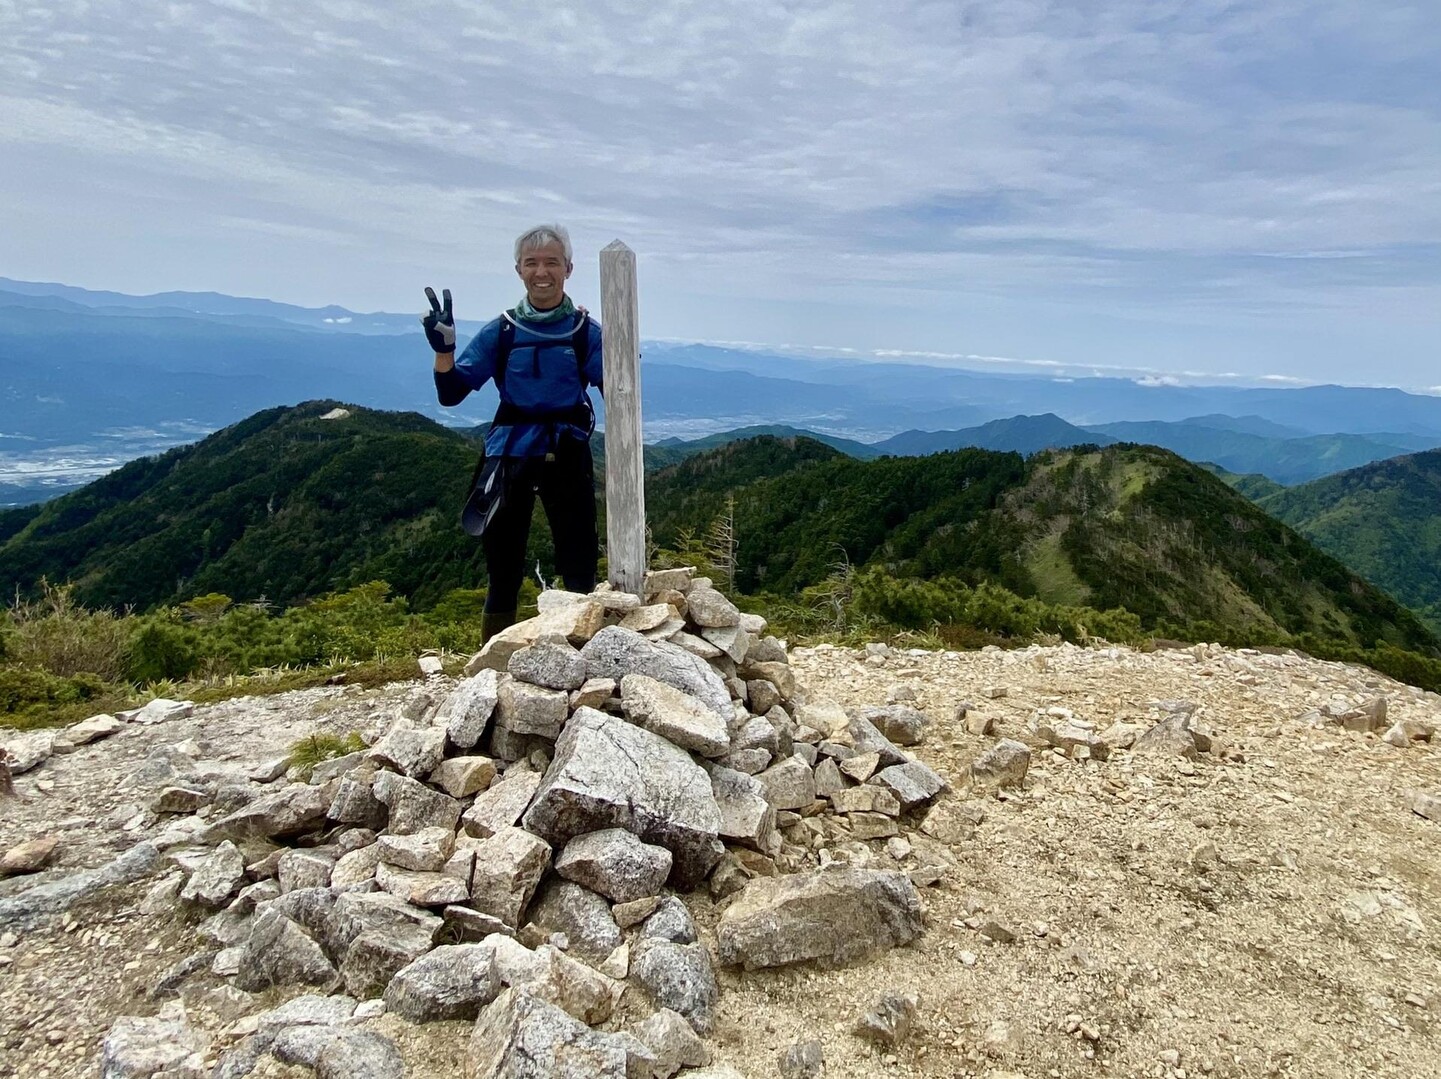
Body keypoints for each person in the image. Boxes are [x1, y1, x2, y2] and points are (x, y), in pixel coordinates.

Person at [424, 223, 604, 643]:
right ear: (518, 270)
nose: (542, 272)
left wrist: (624, 347)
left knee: (579, 563)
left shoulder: (585, 332)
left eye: (551, 262)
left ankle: (583, 652)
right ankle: (494, 658)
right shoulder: (502, 331)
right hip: (509, 454)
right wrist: (443, 351)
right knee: (502, 565)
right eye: (531, 263)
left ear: (568, 269)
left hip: (566, 451)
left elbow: (620, 387)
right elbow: (451, 393)